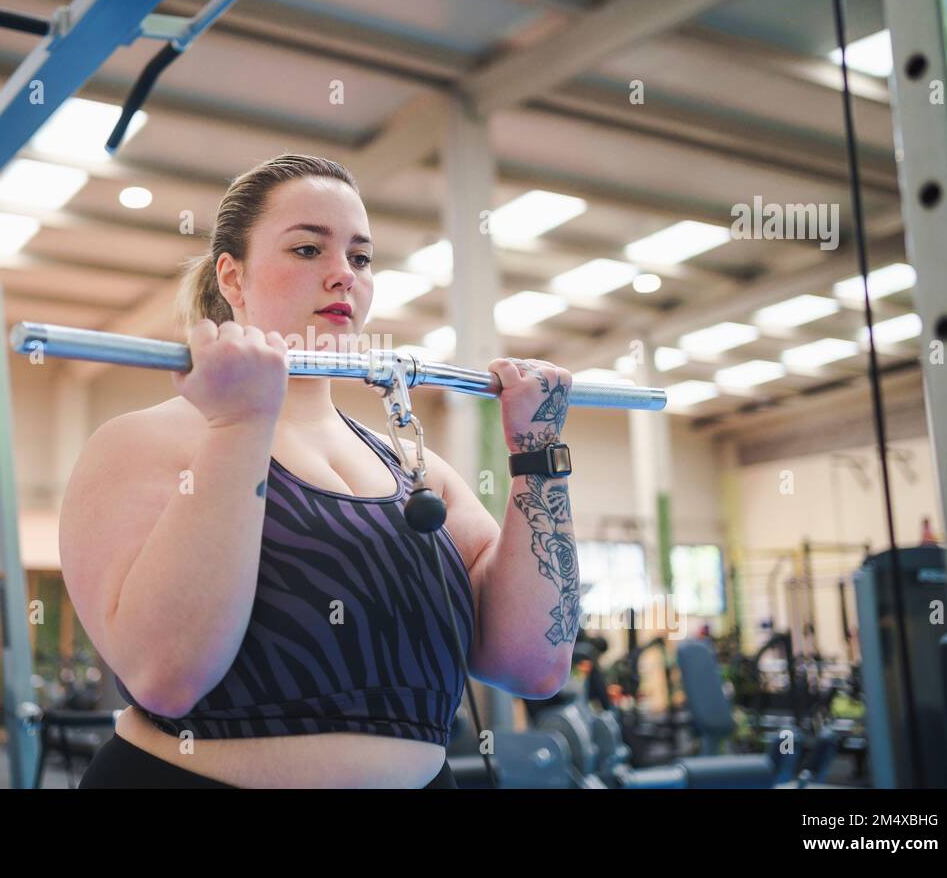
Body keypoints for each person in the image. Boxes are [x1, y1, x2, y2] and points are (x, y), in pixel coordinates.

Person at [62, 154, 581, 788]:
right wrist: (241, 425)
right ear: (232, 276)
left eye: (361, 259)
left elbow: (533, 664)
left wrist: (537, 455)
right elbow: (166, 675)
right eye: (309, 249)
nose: (343, 275)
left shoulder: (417, 468)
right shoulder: (144, 441)